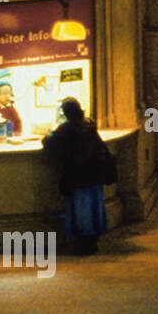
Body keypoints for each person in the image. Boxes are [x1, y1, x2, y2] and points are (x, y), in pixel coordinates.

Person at [42, 98, 111, 255]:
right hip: (94, 174)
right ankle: (93, 241)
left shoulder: (65, 128)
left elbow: (47, 141)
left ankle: (84, 244)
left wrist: (51, 130)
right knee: (94, 207)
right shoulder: (89, 124)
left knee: (81, 210)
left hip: (77, 176)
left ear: (66, 113)